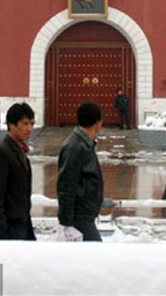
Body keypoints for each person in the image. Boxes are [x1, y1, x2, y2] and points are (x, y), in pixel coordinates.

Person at [0, 102, 36, 240]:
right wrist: (3, 234)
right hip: (6, 232)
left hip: (20, 229)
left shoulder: (19, 151)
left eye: (32, 124)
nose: (29, 128)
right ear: (12, 125)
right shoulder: (0, 152)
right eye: (25, 123)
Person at [56, 102, 104, 241]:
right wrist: (67, 223)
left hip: (84, 216)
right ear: (97, 122)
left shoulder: (83, 144)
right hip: (79, 218)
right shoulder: (75, 147)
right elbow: (66, 185)